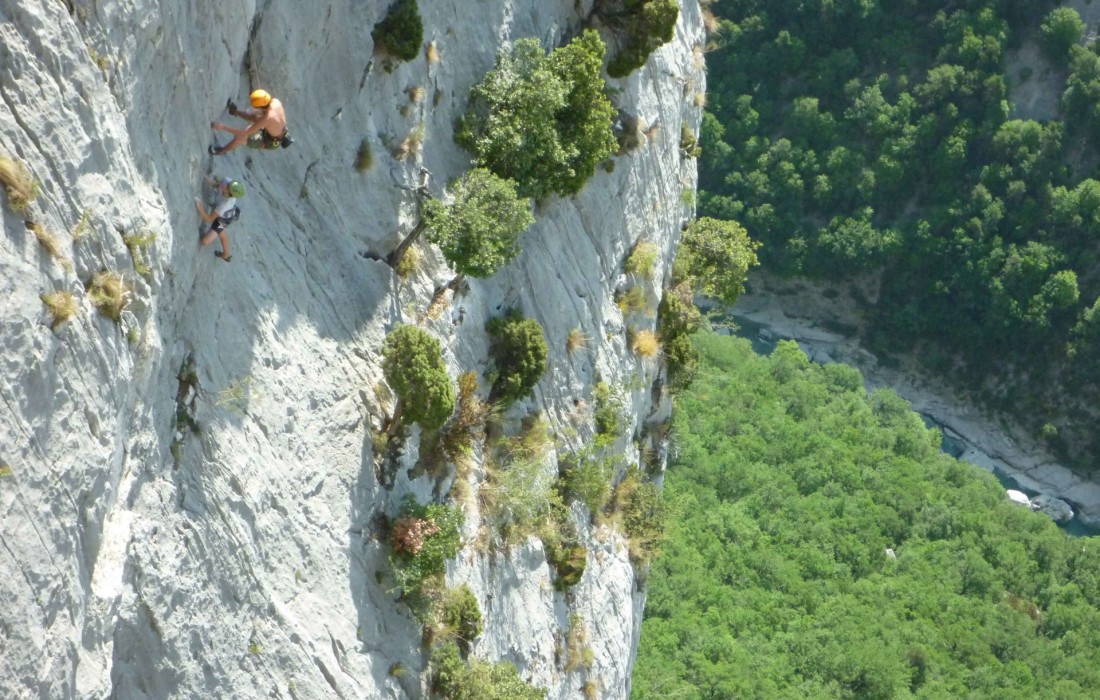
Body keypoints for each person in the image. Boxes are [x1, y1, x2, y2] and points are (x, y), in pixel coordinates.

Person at [209, 89, 292, 155]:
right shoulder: (275, 101)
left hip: (271, 141)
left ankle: (222, 151)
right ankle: (235, 112)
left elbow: (244, 133)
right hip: (275, 130)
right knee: (255, 116)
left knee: (240, 138)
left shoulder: (268, 118)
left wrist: (223, 127)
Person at [195, 176, 244, 262]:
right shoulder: (228, 182)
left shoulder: (225, 205)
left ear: (230, 194)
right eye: (228, 184)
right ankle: (226, 253)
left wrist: (200, 207)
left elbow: (209, 219)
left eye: (228, 187)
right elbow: (221, 184)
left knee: (205, 241)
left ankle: (226, 254)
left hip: (223, 219)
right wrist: (212, 183)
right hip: (228, 212)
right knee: (220, 232)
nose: (226, 185)